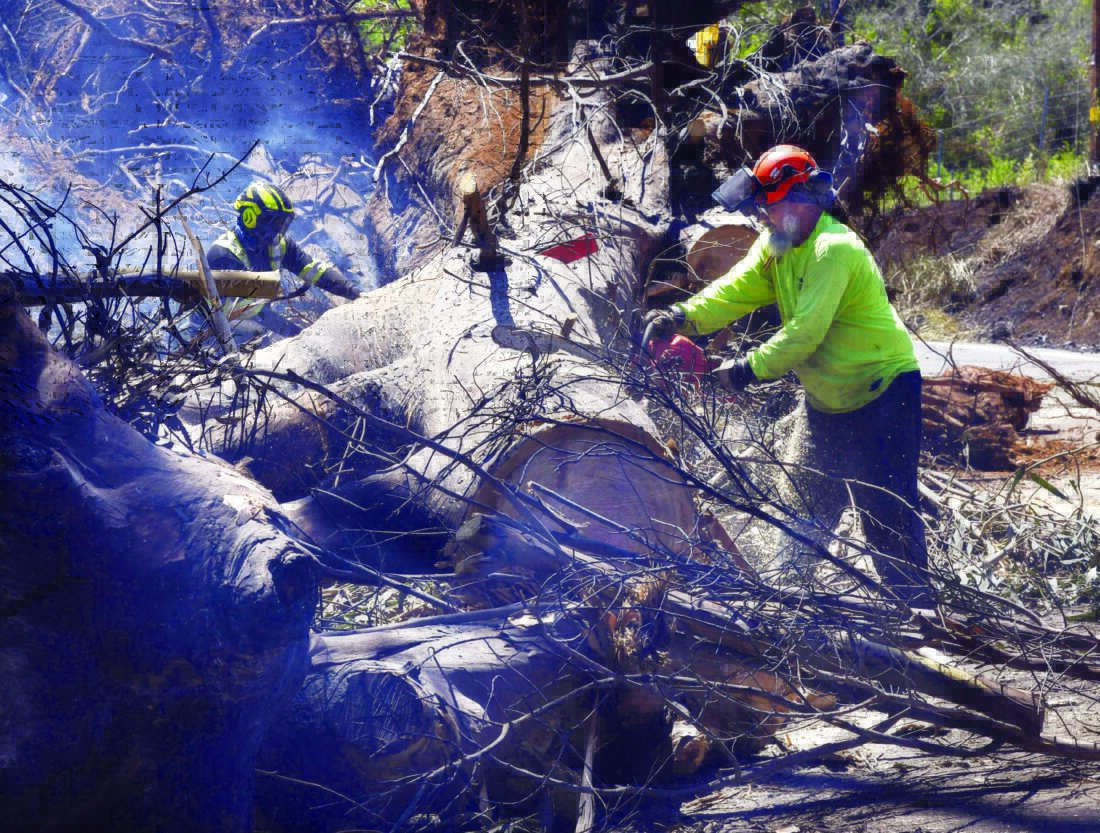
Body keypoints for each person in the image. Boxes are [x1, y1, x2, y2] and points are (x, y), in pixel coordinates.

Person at [645, 145, 935, 608]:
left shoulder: (832, 248)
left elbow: (805, 335)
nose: (762, 217)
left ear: (801, 197)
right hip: (828, 403)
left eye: (769, 206)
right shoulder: (777, 244)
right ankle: (788, 605)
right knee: (804, 508)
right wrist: (680, 317)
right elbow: (733, 291)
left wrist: (745, 370)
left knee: (885, 514)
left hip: (882, 392)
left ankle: (920, 615)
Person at [202, 181, 360, 340]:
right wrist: (299, 336)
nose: (278, 229)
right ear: (250, 216)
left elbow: (314, 270)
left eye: (282, 222)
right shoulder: (224, 254)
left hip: (254, 328)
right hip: (214, 339)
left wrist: (356, 294)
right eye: (274, 221)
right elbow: (249, 312)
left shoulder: (279, 245)